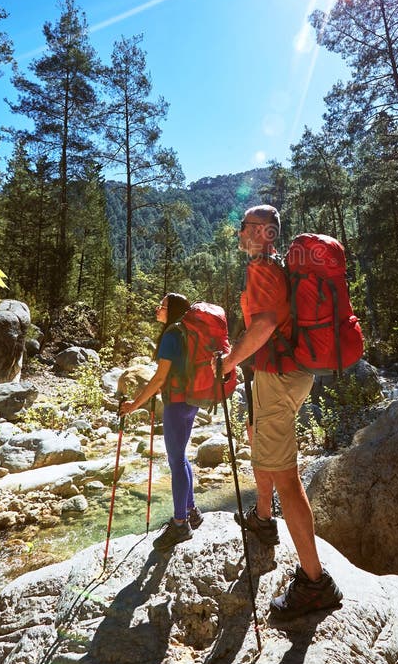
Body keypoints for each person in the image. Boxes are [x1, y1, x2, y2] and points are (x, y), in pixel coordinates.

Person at [215, 205, 343, 621]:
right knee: (258, 440)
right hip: (281, 373)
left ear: (267, 232)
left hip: (278, 376)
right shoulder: (270, 267)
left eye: (247, 228)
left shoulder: (263, 268)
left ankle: (315, 582)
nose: (240, 233)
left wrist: (229, 360)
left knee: (286, 474)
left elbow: (266, 324)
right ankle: (264, 519)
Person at [120, 293, 204, 552]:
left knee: (176, 460)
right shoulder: (187, 333)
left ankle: (180, 524)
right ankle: (192, 511)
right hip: (192, 400)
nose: (158, 308)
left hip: (177, 404)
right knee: (182, 456)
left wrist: (134, 405)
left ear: (173, 310)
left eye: (163, 306)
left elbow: (158, 379)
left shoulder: (171, 335)